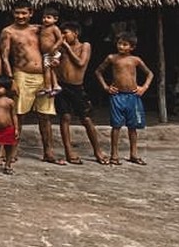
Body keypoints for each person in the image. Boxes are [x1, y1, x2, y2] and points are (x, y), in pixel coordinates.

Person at [0, 0, 61, 165]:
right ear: (12, 13)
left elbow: (55, 43)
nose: (20, 16)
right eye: (17, 13)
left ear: (31, 13)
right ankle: (12, 151)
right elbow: (4, 57)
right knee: (18, 115)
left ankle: (48, 151)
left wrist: (55, 59)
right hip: (21, 74)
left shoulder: (39, 29)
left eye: (24, 13)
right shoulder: (8, 32)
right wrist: (10, 79)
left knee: (45, 115)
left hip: (43, 75)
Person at [95, 33, 153, 166]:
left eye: (125, 44)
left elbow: (150, 73)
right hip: (117, 95)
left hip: (133, 96)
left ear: (132, 47)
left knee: (132, 127)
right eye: (119, 43)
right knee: (116, 126)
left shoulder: (135, 60)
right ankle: (114, 155)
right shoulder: (112, 58)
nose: (121, 46)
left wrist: (144, 87)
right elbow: (98, 71)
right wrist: (106, 87)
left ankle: (134, 154)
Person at [56, 22, 108, 164]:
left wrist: (67, 48)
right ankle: (69, 151)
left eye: (65, 33)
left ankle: (97, 150)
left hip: (77, 87)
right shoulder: (60, 48)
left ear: (75, 33)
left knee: (86, 119)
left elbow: (80, 63)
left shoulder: (84, 46)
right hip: (61, 86)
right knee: (65, 117)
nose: (63, 36)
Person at [38, 5, 65, 96]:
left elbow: (60, 39)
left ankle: (49, 87)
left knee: (50, 69)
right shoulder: (42, 28)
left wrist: (54, 47)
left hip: (53, 53)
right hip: (46, 54)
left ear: (55, 19)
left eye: (48, 17)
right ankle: (53, 86)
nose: (45, 19)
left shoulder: (54, 28)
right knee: (49, 70)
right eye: (43, 17)